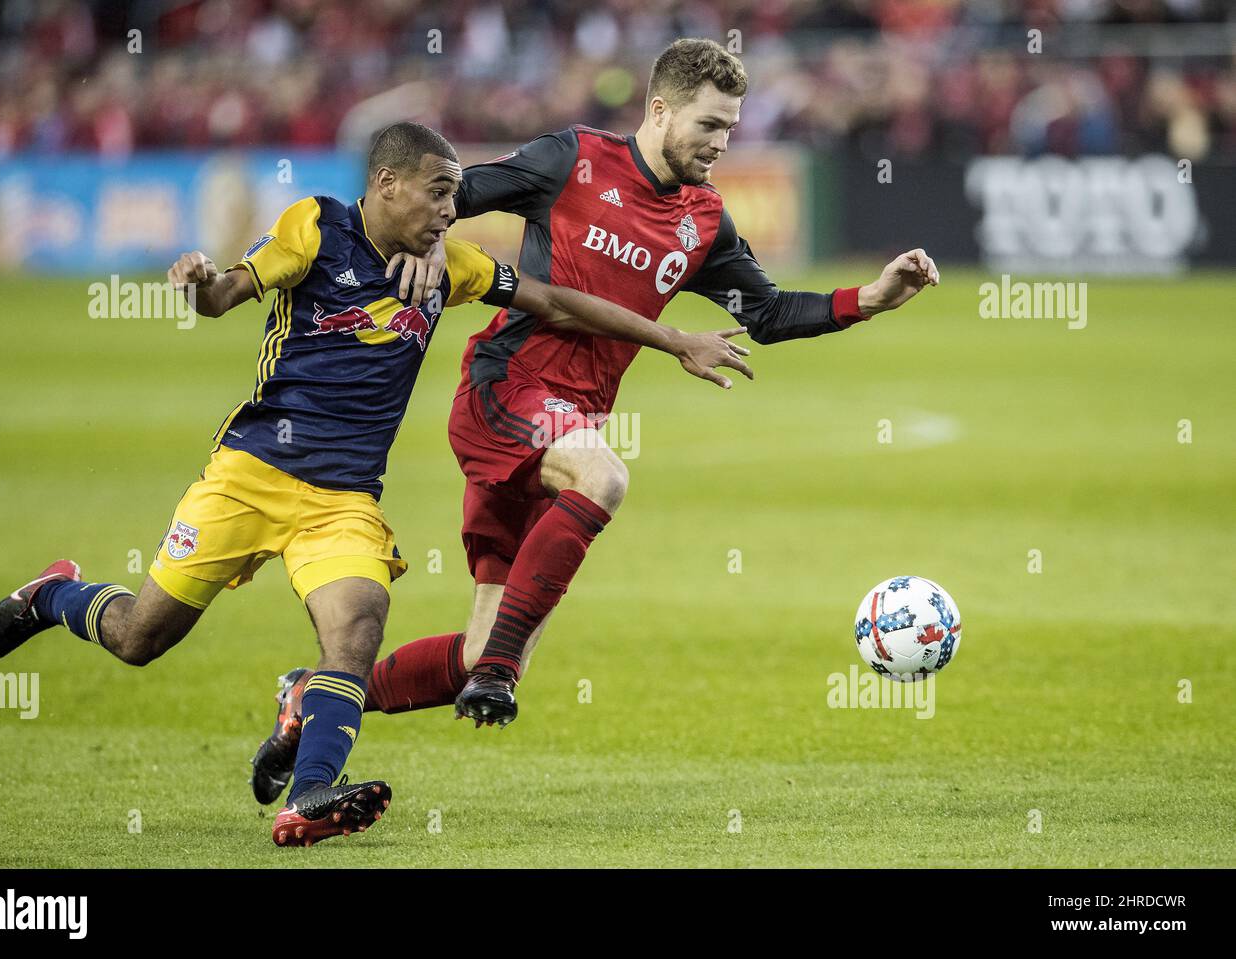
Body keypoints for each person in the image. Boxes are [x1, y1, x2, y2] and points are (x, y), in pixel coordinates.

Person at [0, 120, 752, 846]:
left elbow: (553, 302)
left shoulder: (455, 268)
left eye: (456, 194)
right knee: (142, 637)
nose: (453, 209)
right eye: (439, 192)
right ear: (385, 184)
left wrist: (672, 336)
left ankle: (311, 793)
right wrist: (198, 281)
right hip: (250, 475)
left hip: (344, 498)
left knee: (357, 626)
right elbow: (226, 297)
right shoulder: (315, 226)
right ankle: (52, 593)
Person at [248, 38, 939, 802]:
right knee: (604, 476)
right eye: (709, 125)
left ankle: (311, 698)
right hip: (504, 389)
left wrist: (866, 300)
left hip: (565, 426)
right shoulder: (570, 159)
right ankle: (503, 673)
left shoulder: (703, 220)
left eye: (732, 129)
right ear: (660, 110)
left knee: (476, 645)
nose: (721, 143)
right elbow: (447, 194)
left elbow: (769, 313)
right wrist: (435, 245)